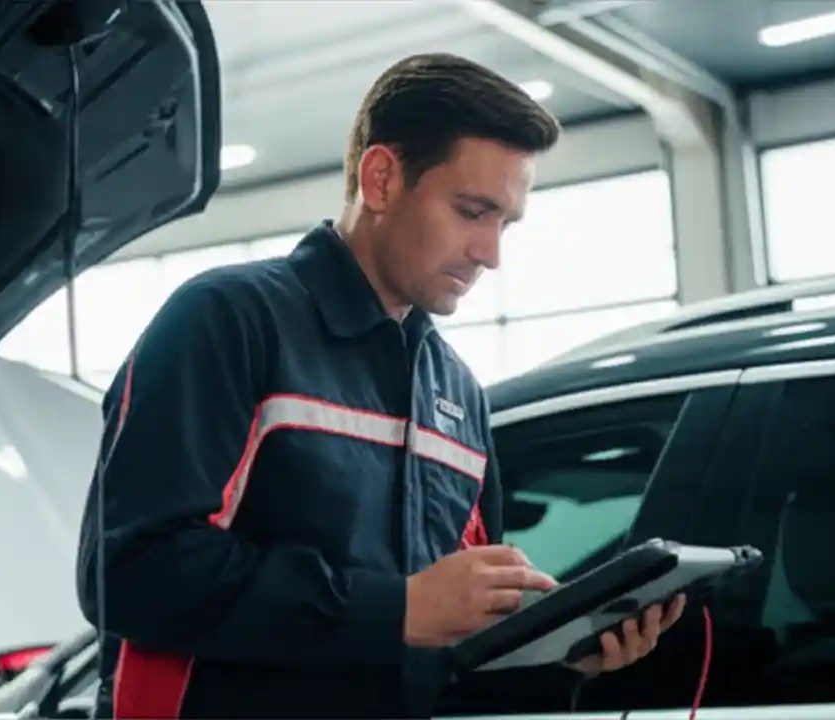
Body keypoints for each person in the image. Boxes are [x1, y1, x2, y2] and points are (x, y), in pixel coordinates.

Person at [74, 52, 685, 719]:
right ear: (383, 178)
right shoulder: (229, 322)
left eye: (504, 223)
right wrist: (398, 607)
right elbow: (131, 573)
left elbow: (442, 651)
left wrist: (560, 657)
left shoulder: (458, 392)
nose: (491, 253)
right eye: (472, 211)